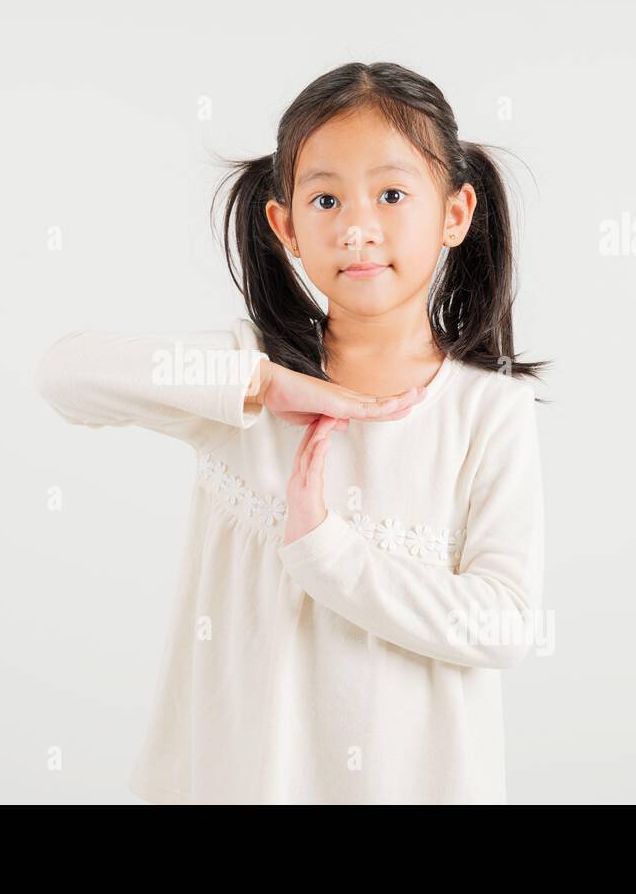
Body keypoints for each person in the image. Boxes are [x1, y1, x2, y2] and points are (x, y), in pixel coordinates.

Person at [35, 61, 550, 804]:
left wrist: (328, 556)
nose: (357, 227)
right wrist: (260, 384)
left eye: (393, 193)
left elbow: (505, 624)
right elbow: (65, 375)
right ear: (286, 226)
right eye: (326, 198)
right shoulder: (243, 377)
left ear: (455, 214)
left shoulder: (488, 412)